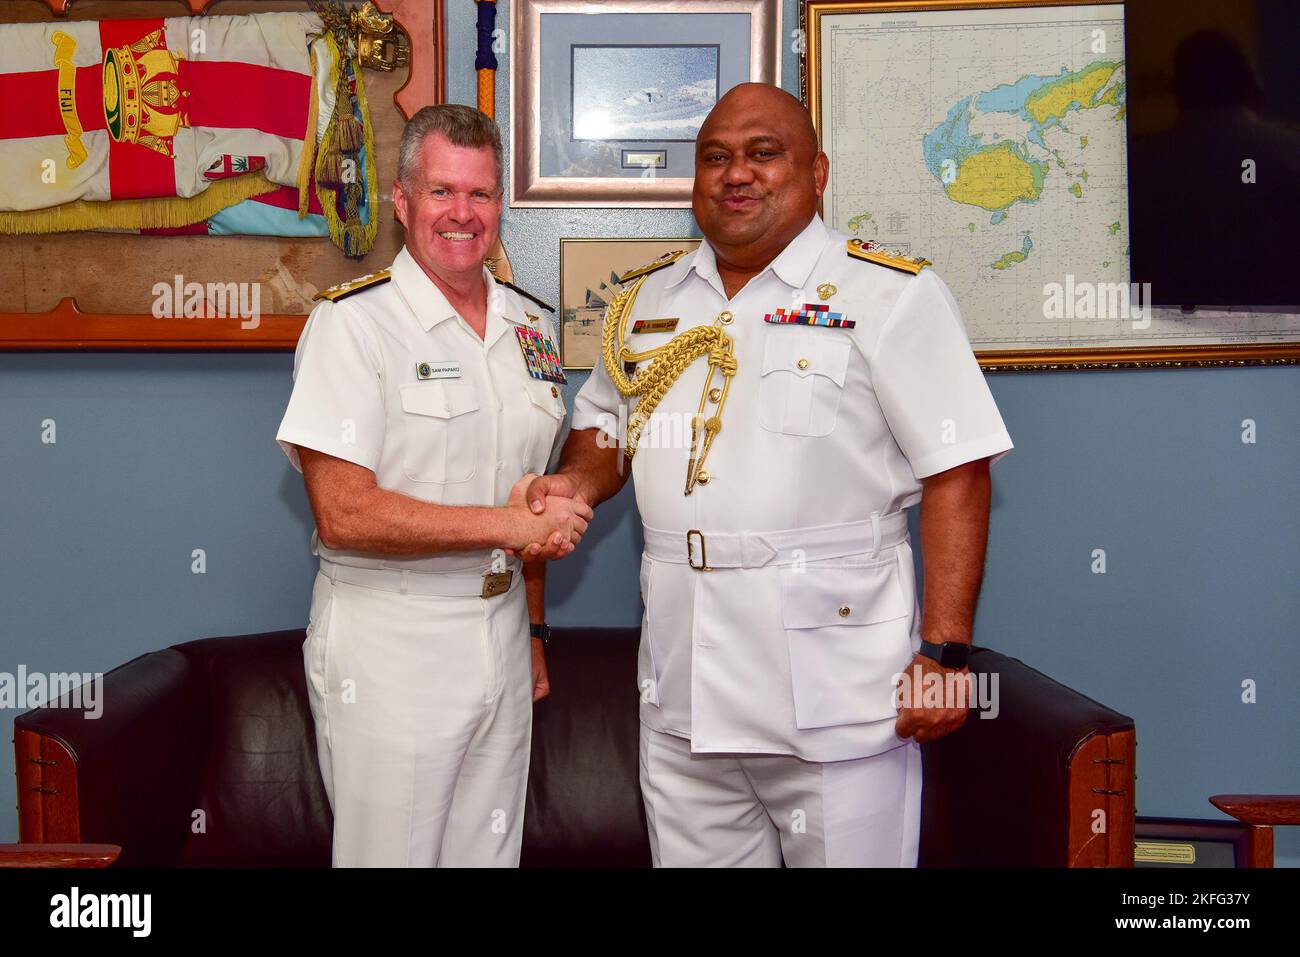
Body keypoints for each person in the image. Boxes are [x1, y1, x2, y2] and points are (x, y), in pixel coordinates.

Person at [522, 84, 1014, 867]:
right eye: (714, 158)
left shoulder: (889, 294)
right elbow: (604, 430)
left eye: (762, 154)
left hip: (838, 692)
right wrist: (577, 484)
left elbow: (959, 470)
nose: (735, 175)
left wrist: (946, 655)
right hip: (685, 690)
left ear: (817, 172)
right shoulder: (649, 299)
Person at [275, 104, 590, 867]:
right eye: (441, 191)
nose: (462, 213)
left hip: (503, 629)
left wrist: (537, 630)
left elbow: (531, 498)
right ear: (404, 201)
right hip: (394, 639)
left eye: (480, 194)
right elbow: (343, 511)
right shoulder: (353, 326)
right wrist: (503, 527)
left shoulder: (532, 329)